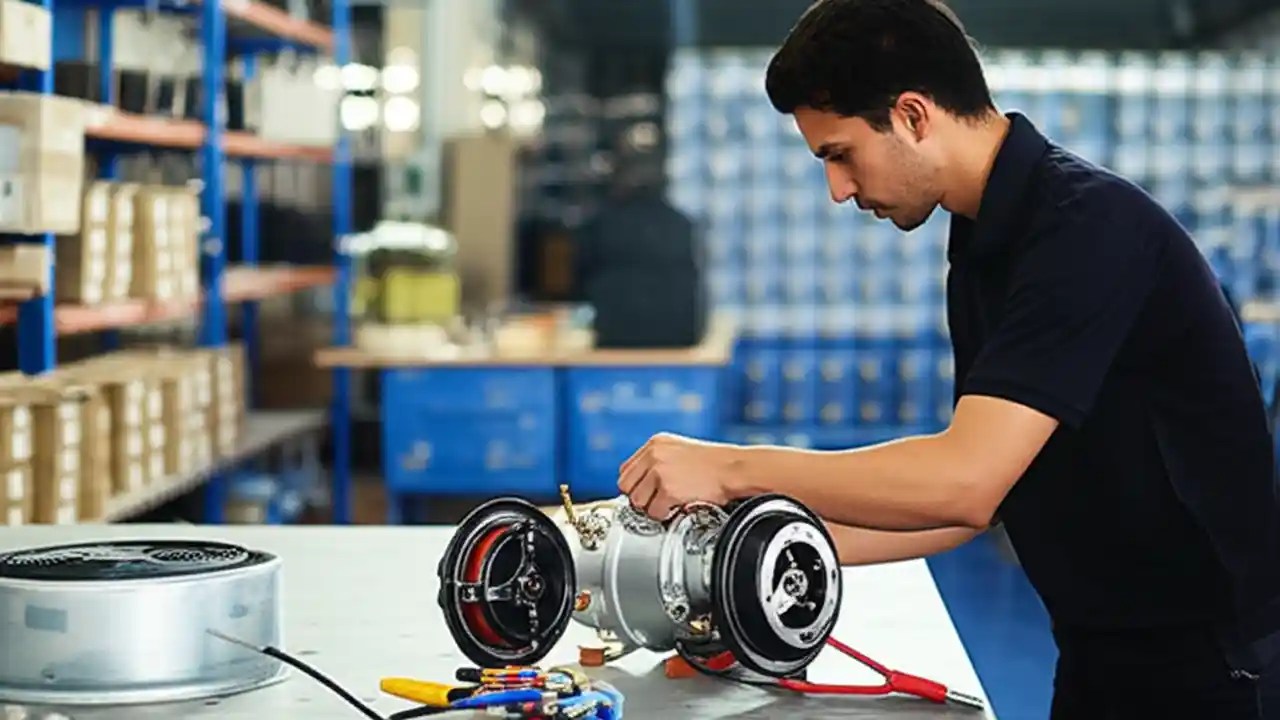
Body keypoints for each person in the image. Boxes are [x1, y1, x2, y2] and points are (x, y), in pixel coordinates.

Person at [616, 1, 1280, 717]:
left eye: (839, 154)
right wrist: (751, 552)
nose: (838, 189)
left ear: (912, 115)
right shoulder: (984, 248)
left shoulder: (1087, 230)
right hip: (1101, 650)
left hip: (1213, 668)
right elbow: (983, 500)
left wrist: (729, 467)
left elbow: (964, 481)